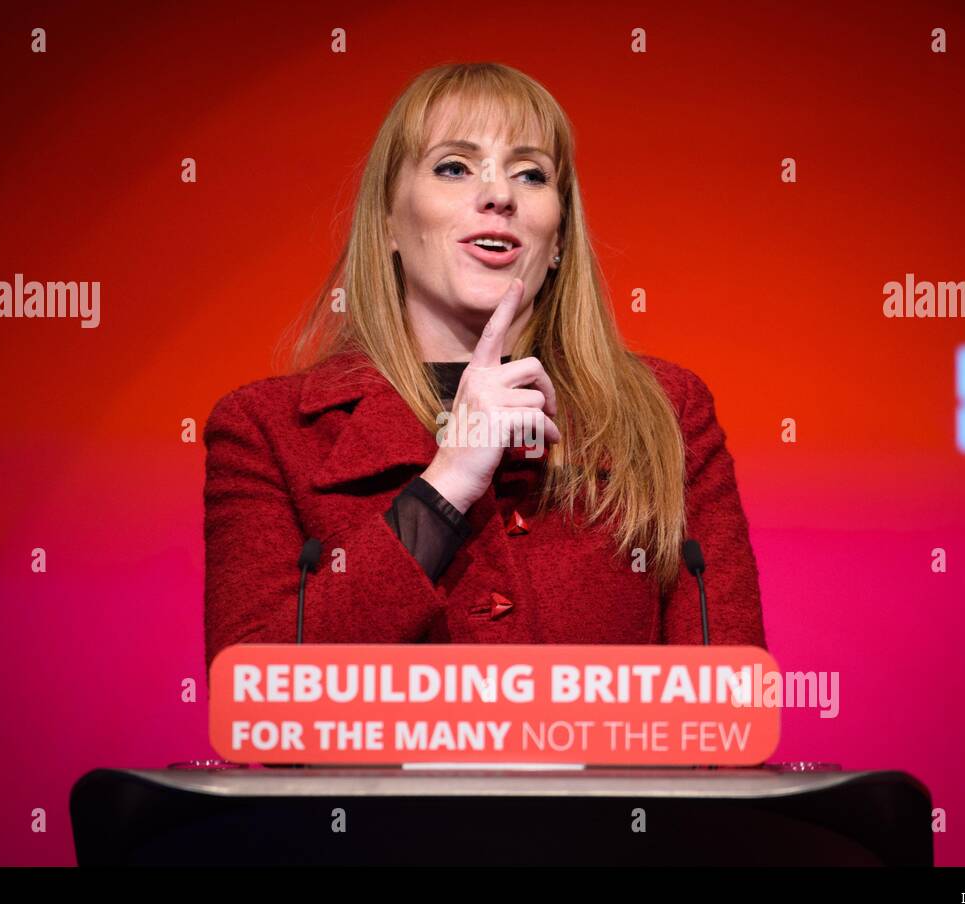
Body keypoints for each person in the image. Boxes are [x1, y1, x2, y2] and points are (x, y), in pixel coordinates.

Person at [203, 62, 764, 673]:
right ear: (389, 222)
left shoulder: (669, 410)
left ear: (556, 242)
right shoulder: (265, 430)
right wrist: (446, 484)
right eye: (453, 166)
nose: (500, 195)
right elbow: (253, 695)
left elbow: (727, 714)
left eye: (531, 173)